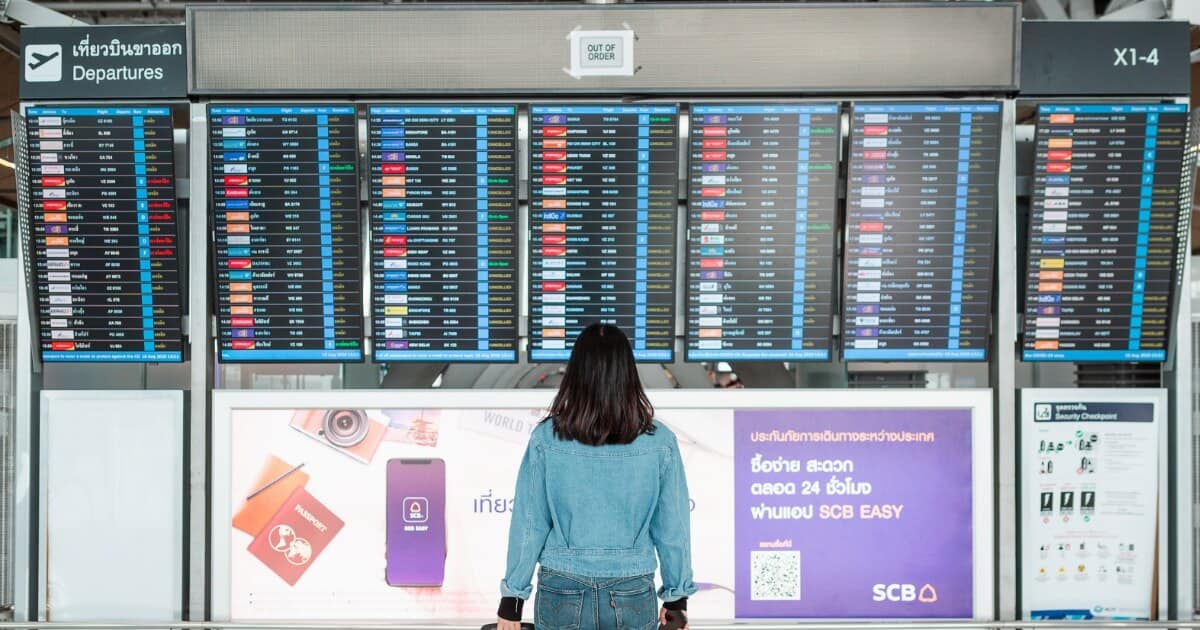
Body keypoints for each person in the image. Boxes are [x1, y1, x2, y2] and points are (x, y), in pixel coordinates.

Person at [496, 323, 695, 630]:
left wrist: (512, 601)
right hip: (632, 590)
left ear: (575, 373)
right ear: (628, 373)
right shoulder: (660, 442)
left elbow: (530, 523)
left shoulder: (546, 438)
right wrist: (676, 600)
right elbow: (672, 527)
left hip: (561, 589)